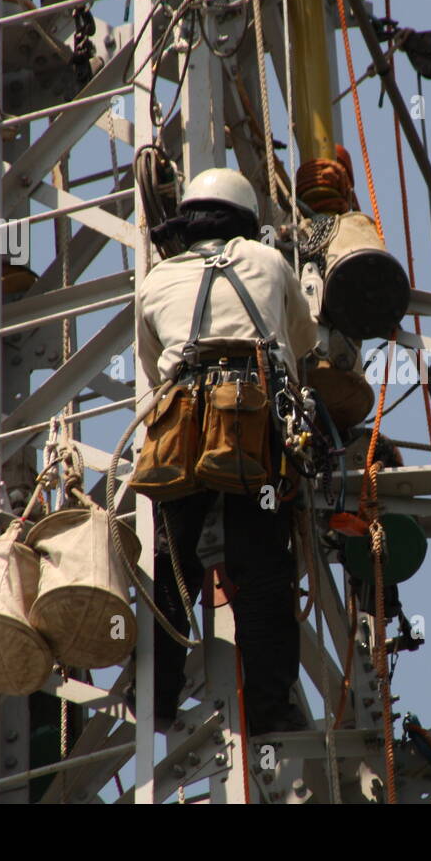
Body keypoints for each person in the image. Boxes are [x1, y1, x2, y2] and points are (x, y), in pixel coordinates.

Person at [135, 167, 318, 734]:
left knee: (171, 571)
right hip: (252, 427)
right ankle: (269, 710)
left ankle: (158, 702)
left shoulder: (156, 279)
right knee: (262, 570)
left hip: (178, 431)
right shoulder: (268, 262)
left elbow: (151, 367)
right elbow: (303, 341)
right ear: (245, 221)